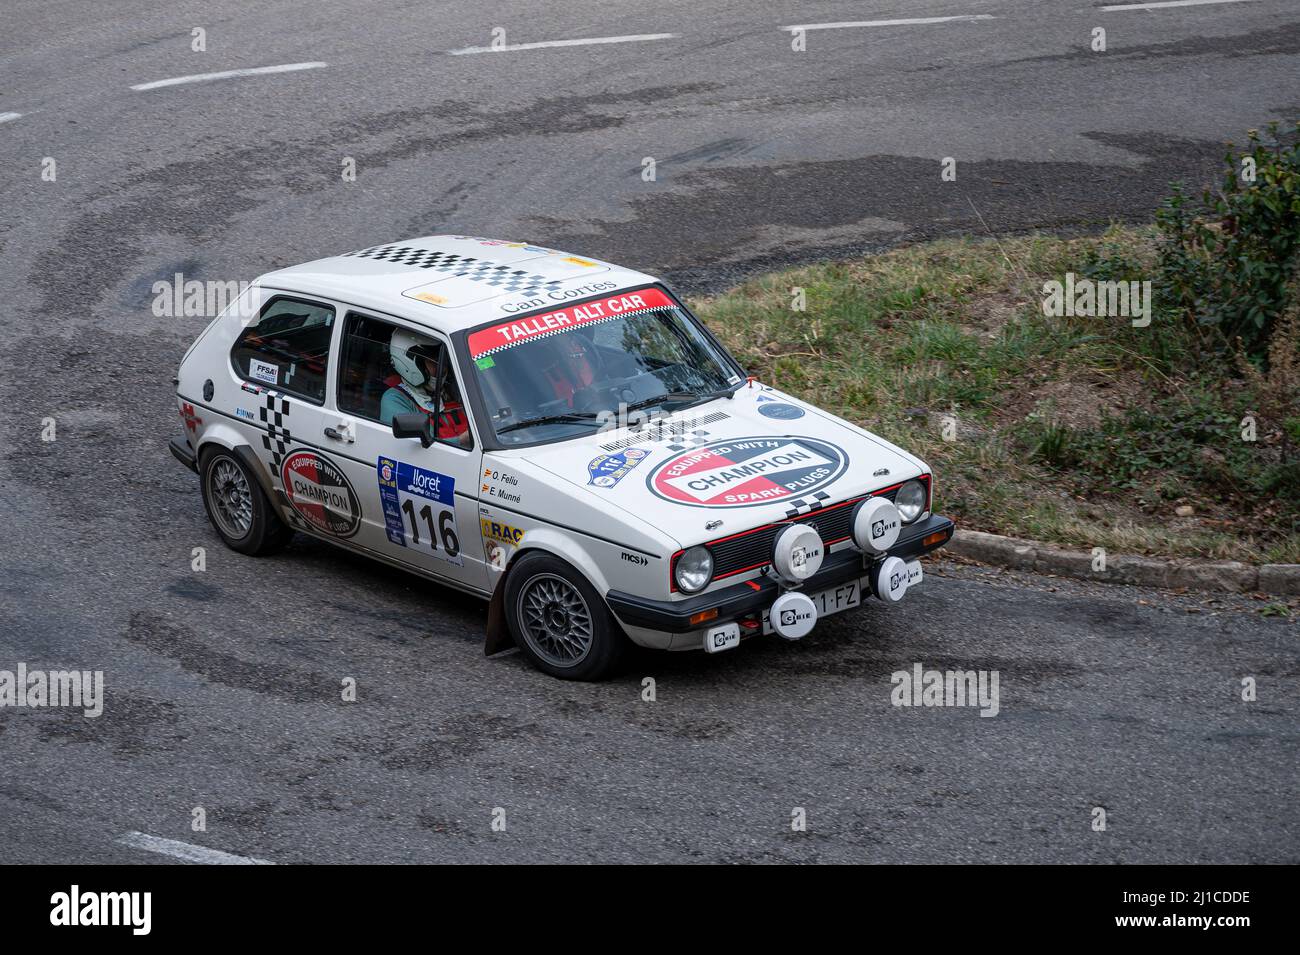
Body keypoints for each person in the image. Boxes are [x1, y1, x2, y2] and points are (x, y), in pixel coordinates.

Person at [380, 329, 468, 440]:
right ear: (410, 363)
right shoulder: (394, 399)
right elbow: (414, 446)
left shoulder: (455, 389)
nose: (442, 369)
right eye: (434, 362)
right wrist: (462, 440)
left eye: (444, 361)